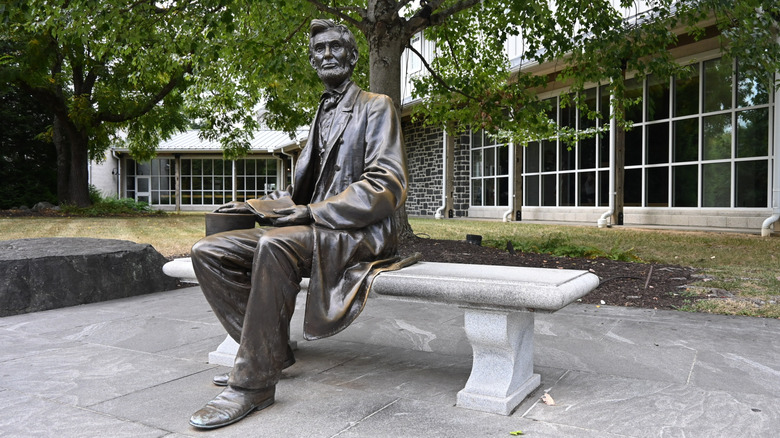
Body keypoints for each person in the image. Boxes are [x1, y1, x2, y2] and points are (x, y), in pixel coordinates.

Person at [188, 19, 410, 429]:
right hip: (315, 228)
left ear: (353, 56)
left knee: (275, 245)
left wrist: (313, 213)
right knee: (209, 251)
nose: (326, 55)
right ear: (312, 60)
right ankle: (268, 352)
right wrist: (252, 205)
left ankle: (252, 384)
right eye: (319, 50)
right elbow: (300, 192)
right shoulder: (321, 113)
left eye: (335, 48)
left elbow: (387, 184)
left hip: (356, 232)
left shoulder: (376, 106)